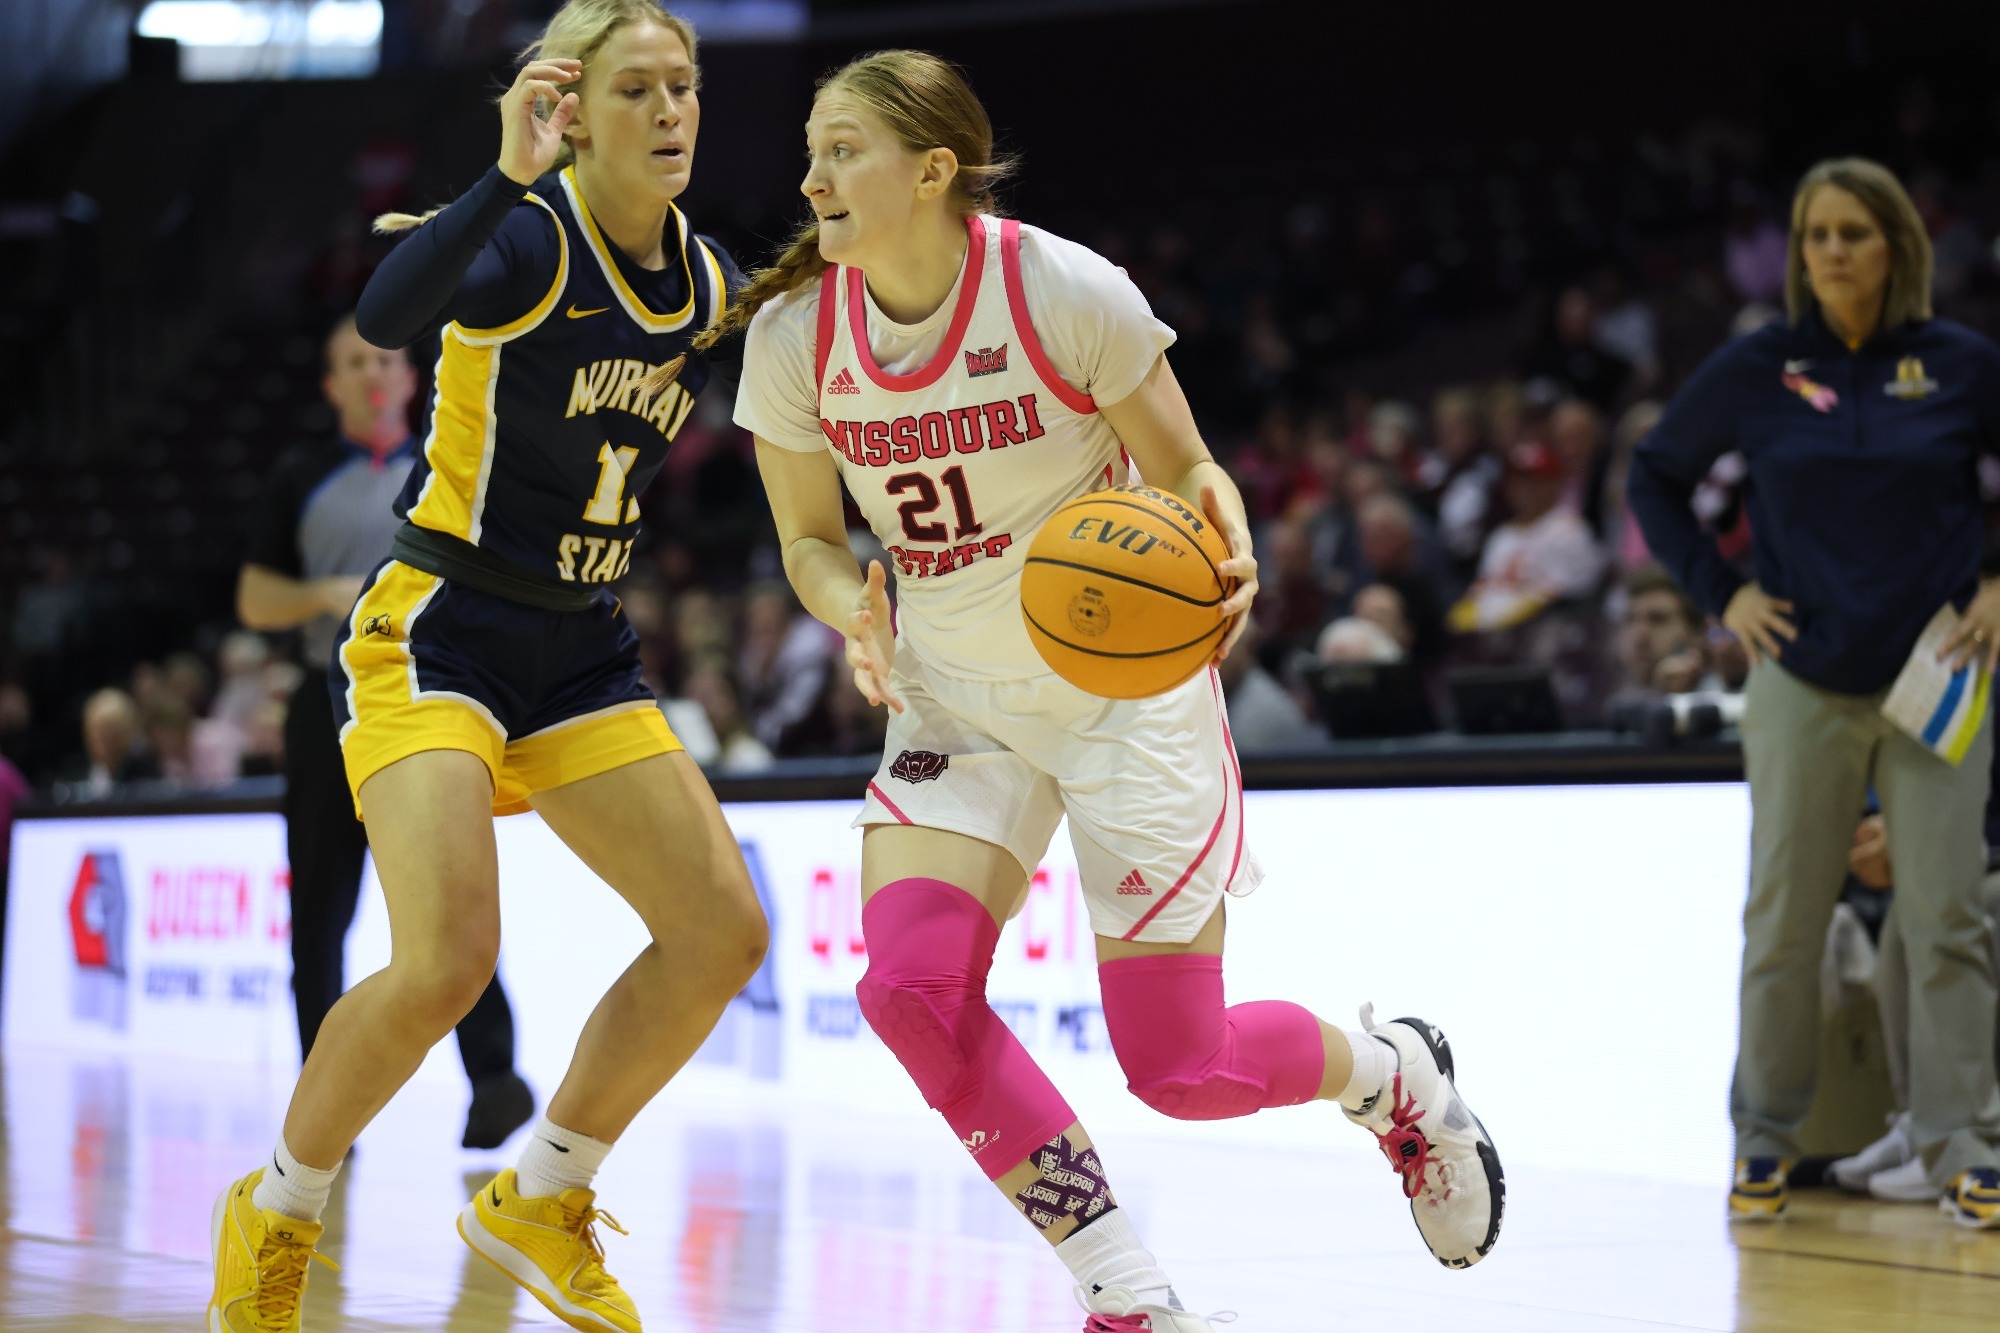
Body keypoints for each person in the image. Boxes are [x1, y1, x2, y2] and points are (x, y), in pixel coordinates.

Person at [712, 50, 1504, 1331]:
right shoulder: (796, 337)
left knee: (1181, 1071)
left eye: (841, 150)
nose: (810, 178)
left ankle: (1389, 1076)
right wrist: (845, 599)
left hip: (1118, 695)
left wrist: (1223, 535)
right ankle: (1124, 1289)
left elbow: (1187, 467)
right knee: (908, 992)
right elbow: (806, 537)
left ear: (933, 169)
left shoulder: (1060, 289)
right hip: (952, 699)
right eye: (810, 151)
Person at [208, 6, 769, 1331]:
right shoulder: (528, 237)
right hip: (443, 629)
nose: (671, 110)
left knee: (721, 934)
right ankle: (276, 1211)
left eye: (684, 85)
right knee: (447, 960)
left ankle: (541, 1194)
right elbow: (385, 313)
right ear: (573, 112)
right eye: (636, 89)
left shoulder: (707, 283)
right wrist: (502, 178)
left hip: (579, 647)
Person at [1628, 156, 2000, 1228]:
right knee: (1783, 921)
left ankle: (1964, 1146)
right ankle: (1764, 1138)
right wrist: (1723, 596)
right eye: (1815, 234)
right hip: (1799, 674)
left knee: (1948, 918)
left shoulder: (1961, 364)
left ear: (1896, 247)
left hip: (1938, 670)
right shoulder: (1759, 366)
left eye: (1852, 232)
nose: (1831, 251)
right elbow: (1653, 474)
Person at [238, 312, 534, 1154]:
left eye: (383, 360)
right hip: (325, 705)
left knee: (449, 900)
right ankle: (326, 1104)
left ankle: (496, 1081)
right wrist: (325, 594)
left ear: (411, 378)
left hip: (428, 702)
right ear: (331, 385)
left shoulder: (450, 462)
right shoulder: (299, 477)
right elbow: (255, 600)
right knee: (319, 914)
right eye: (353, 362)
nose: (371, 373)